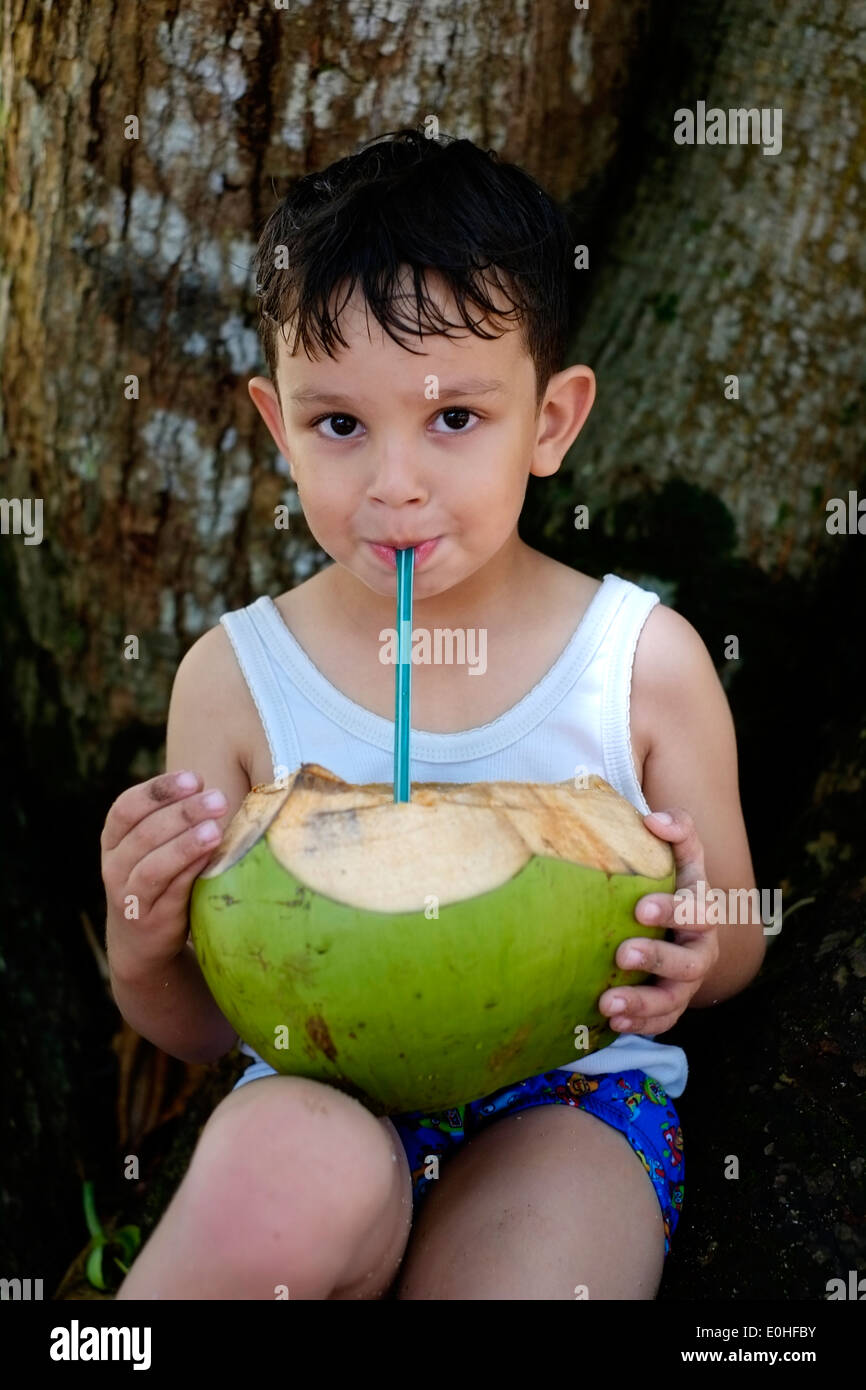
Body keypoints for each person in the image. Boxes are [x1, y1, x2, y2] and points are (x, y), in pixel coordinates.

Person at [103, 129, 765, 1300]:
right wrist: (146, 942)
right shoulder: (233, 676)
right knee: (272, 1186)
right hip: (321, 1085)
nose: (393, 483)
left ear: (551, 423)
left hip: (571, 1091)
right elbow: (206, 1024)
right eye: (339, 425)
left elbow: (735, 932)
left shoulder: (639, 665)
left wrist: (688, 952)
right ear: (276, 426)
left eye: (453, 417)